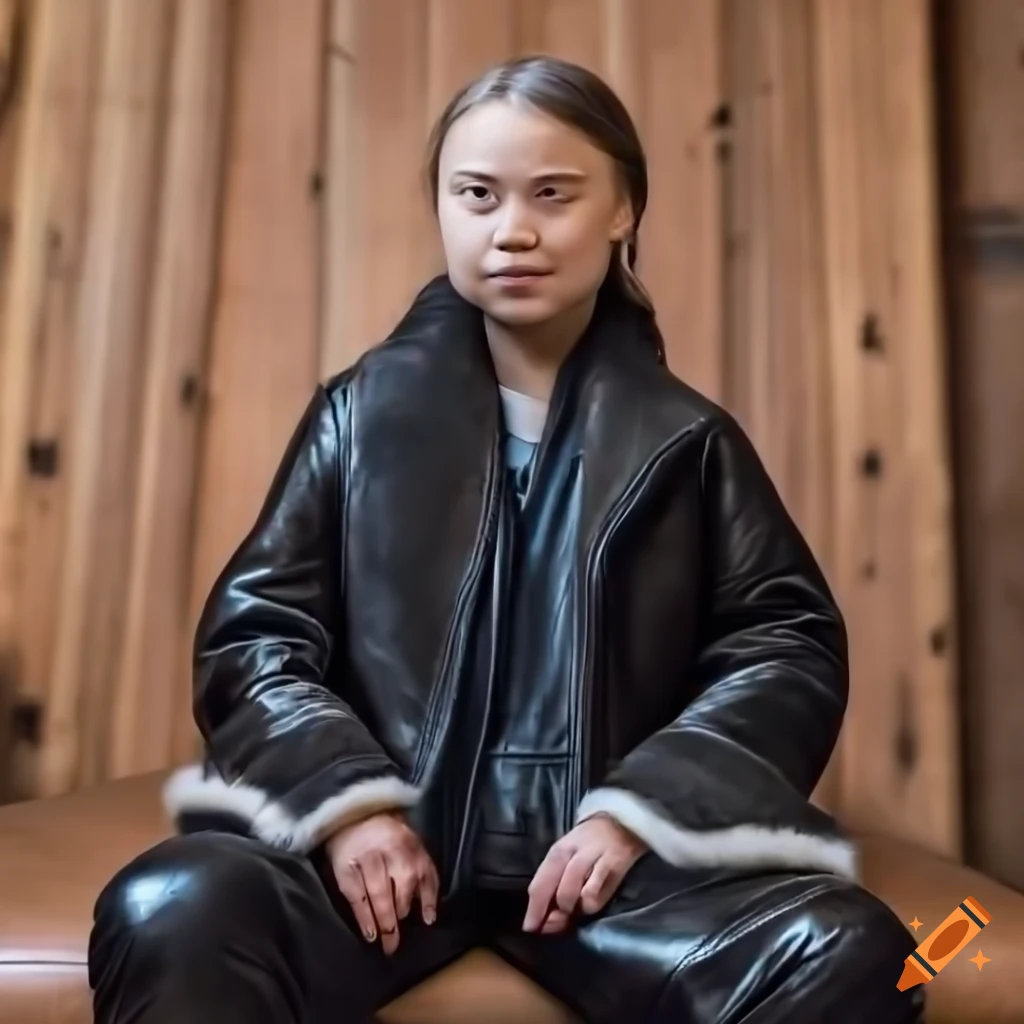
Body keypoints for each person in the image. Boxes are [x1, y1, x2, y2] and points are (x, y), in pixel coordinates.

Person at [88, 55, 923, 1024]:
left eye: (553, 195)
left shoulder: (688, 442)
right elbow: (255, 634)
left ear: (622, 211)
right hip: (383, 868)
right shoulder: (359, 421)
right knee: (172, 907)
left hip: (615, 884)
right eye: (476, 195)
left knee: (859, 952)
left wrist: (638, 813)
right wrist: (349, 803)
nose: (512, 230)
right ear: (442, 208)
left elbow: (784, 647)